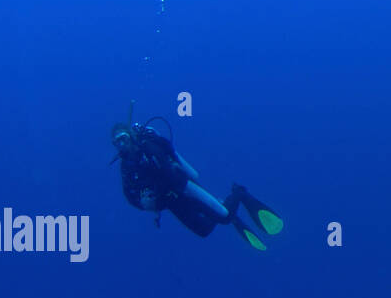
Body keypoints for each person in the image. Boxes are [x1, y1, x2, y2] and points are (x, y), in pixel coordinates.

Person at [110, 106, 283, 251]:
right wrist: (145, 204)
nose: (121, 145)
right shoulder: (126, 166)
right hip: (170, 202)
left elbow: (168, 172)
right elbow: (129, 195)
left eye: (123, 138)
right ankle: (225, 208)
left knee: (224, 217)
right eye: (116, 142)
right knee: (204, 230)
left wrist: (155, 193)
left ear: (131, 136)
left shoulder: (148, 148)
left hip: (184, 187)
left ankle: (239, 193)